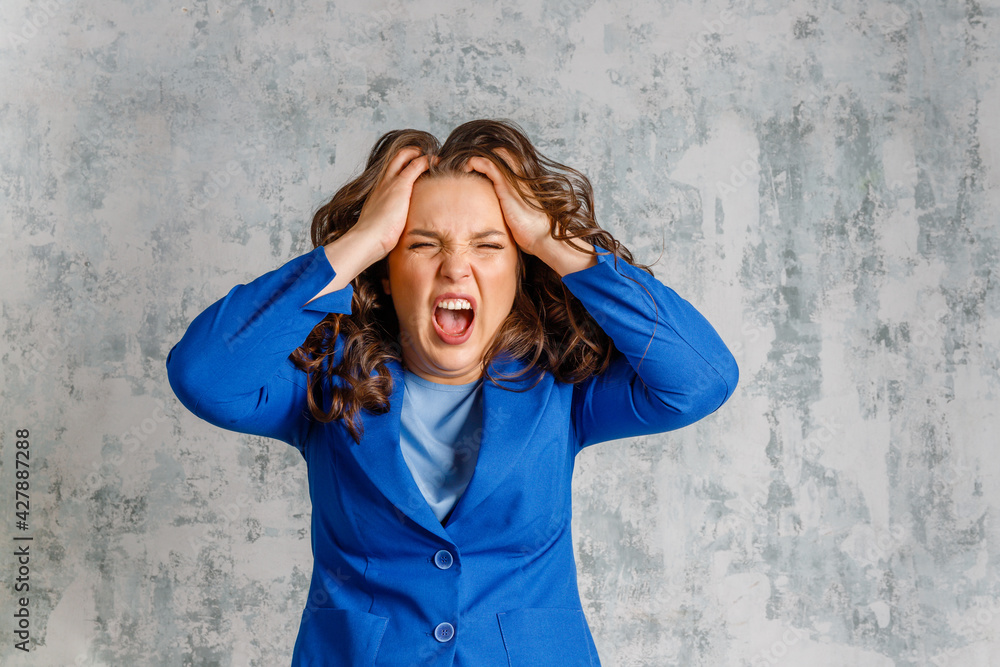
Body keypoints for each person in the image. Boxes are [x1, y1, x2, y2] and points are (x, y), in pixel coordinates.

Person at [166, 119, 738, 666]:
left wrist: (553, 241)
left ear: (521, 269)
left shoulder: (563, 387)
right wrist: (358, 242)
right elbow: (202, 374)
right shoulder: (324, 384)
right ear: (386, 272)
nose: (456, 268)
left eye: (488, 246)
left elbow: (701, 380)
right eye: (422, 245)